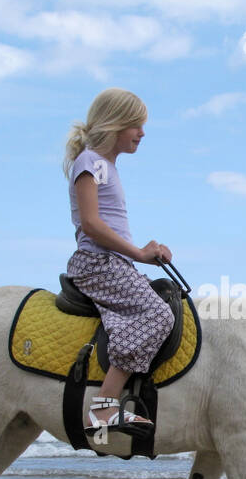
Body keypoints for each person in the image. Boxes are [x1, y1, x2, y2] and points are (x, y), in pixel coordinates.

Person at [63, 88, 174, 436]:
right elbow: (92, 224)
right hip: (98, 263)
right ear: (116, 124)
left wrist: (144, 250)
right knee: (157, 315)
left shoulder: (107, 166)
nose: (142, 134)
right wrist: (138, 253)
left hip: (113, 262)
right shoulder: (90, 162)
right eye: (136, 126)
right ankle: (105, 409)